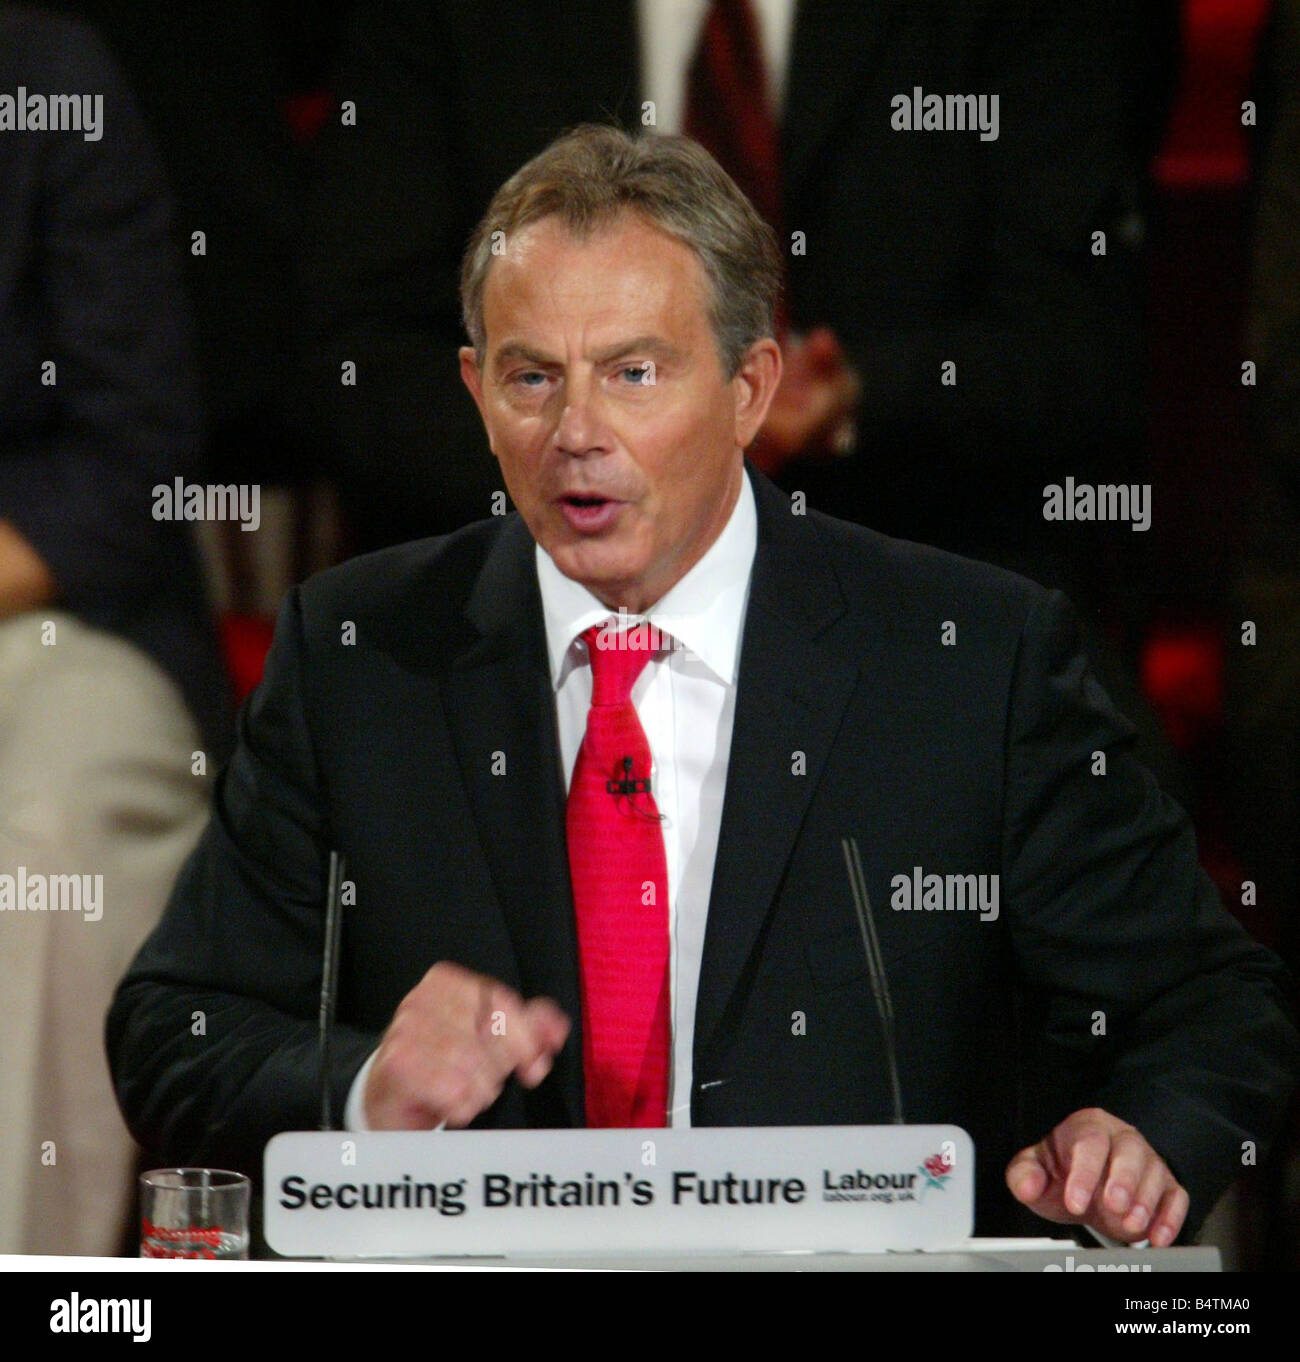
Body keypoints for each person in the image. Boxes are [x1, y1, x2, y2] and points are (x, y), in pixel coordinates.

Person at [109, 126, 1298, 1244]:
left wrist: (1141, 1137)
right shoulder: (359, 653)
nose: (576, 431)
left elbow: (1213, 1005)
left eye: (633, 373)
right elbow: (173, 1036)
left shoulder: (967, 657)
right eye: (531, 379)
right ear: (474, 393)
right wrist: (366, 1089)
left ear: (750, 388)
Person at [0, 4, 230, 1254]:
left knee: (33, 844)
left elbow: (135, 452)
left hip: (58, 623)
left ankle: (29, 1270)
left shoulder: (44, 77)